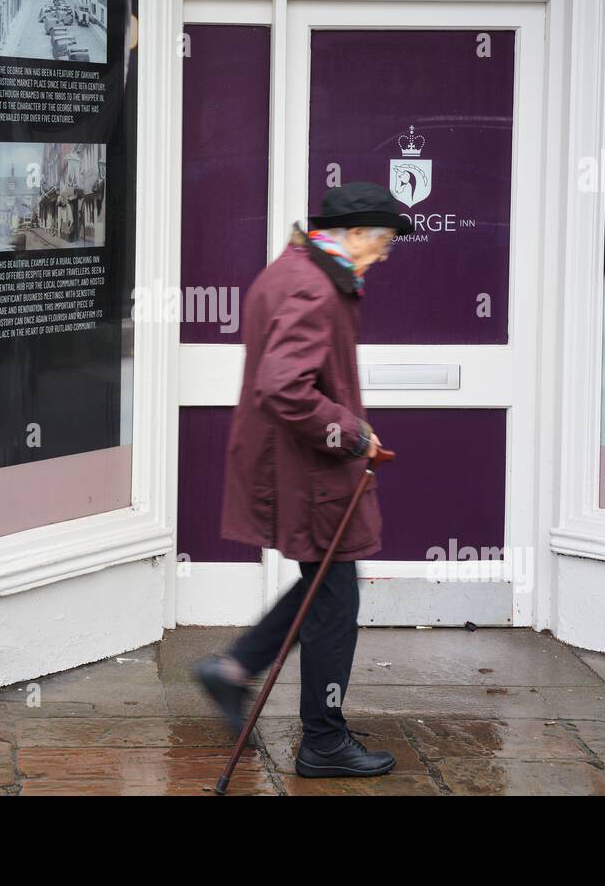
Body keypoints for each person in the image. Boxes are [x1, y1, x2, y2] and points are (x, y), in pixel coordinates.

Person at [193, 182, 412, 778]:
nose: (386, 254)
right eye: (384, 241)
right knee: (335, 603)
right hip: (313, 474)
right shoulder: (316, 288)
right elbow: (285, 387)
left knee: (324, 589)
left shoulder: (293, 270)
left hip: (296, 466)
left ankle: (234, 669)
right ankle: (322, 739)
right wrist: (352, 432)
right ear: (357, 234)